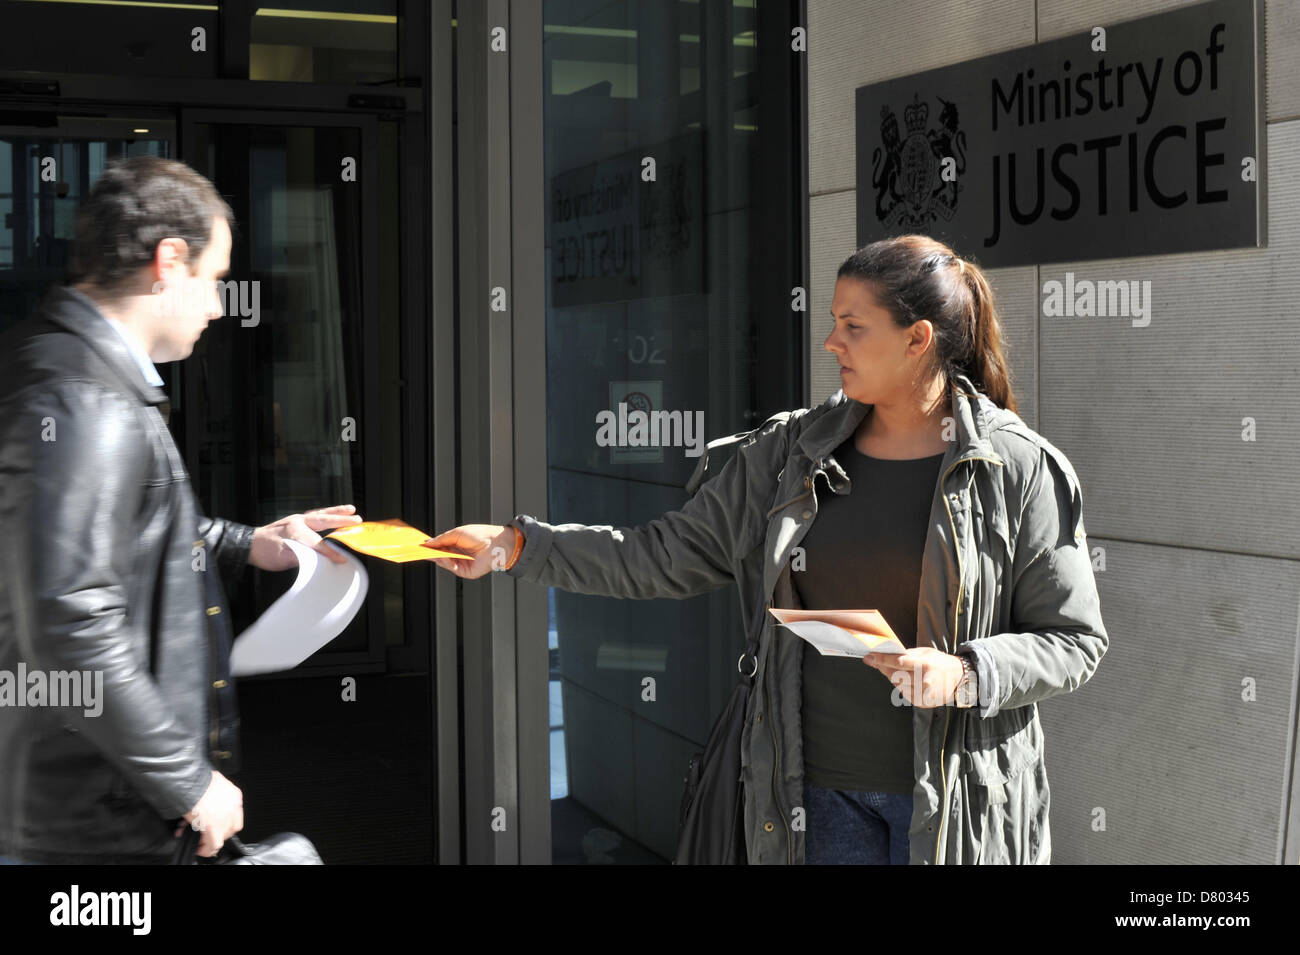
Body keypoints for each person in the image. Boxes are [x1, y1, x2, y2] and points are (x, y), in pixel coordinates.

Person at [427, 233, 1108, 865]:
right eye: (833, 321)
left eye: (853, 326)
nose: (829, 342)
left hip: (958, 805)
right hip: (809, 796)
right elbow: (663, 554)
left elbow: (1074, 641)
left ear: (917, 340)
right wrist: (518, 546)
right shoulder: (790, 452)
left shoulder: (1016, 468)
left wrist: (965, 671)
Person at [0, 156, 361, 864]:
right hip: (89, 833)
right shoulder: (85, 401)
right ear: (169, 261)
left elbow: (113, 532)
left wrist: (250, 542)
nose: (222, 305)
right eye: (216, 279)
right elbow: (68, 619)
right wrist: (187, 777)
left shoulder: (67, 371)